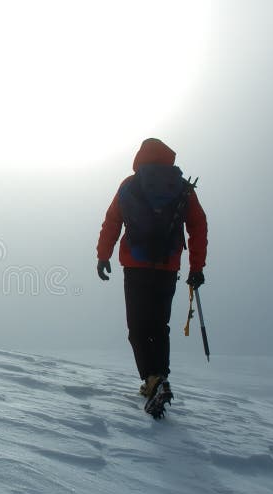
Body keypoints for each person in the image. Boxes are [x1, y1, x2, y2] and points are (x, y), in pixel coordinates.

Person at [96, 138, 207, 418]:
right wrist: (197, 267)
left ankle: (152, 380)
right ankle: (160, 377)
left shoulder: (130, 184)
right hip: (167, 267)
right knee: (159, 325)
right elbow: (198, 226)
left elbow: (112, 221)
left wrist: (103, 255)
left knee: (137, 327)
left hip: (135, 266)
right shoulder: (182, 188)